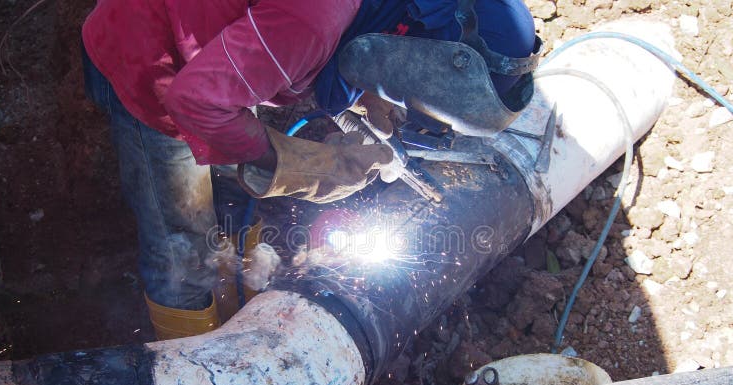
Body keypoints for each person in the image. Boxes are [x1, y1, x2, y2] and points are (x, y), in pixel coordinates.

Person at [81, 0, 537, 340]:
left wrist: (365, 97)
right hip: (149, 57)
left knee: (233, 197)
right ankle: (195, 378)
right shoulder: (312, 19)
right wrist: (309, 166)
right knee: (184, 243)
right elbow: (195, 102)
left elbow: (276, 50)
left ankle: (241, 301)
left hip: (213, 59)